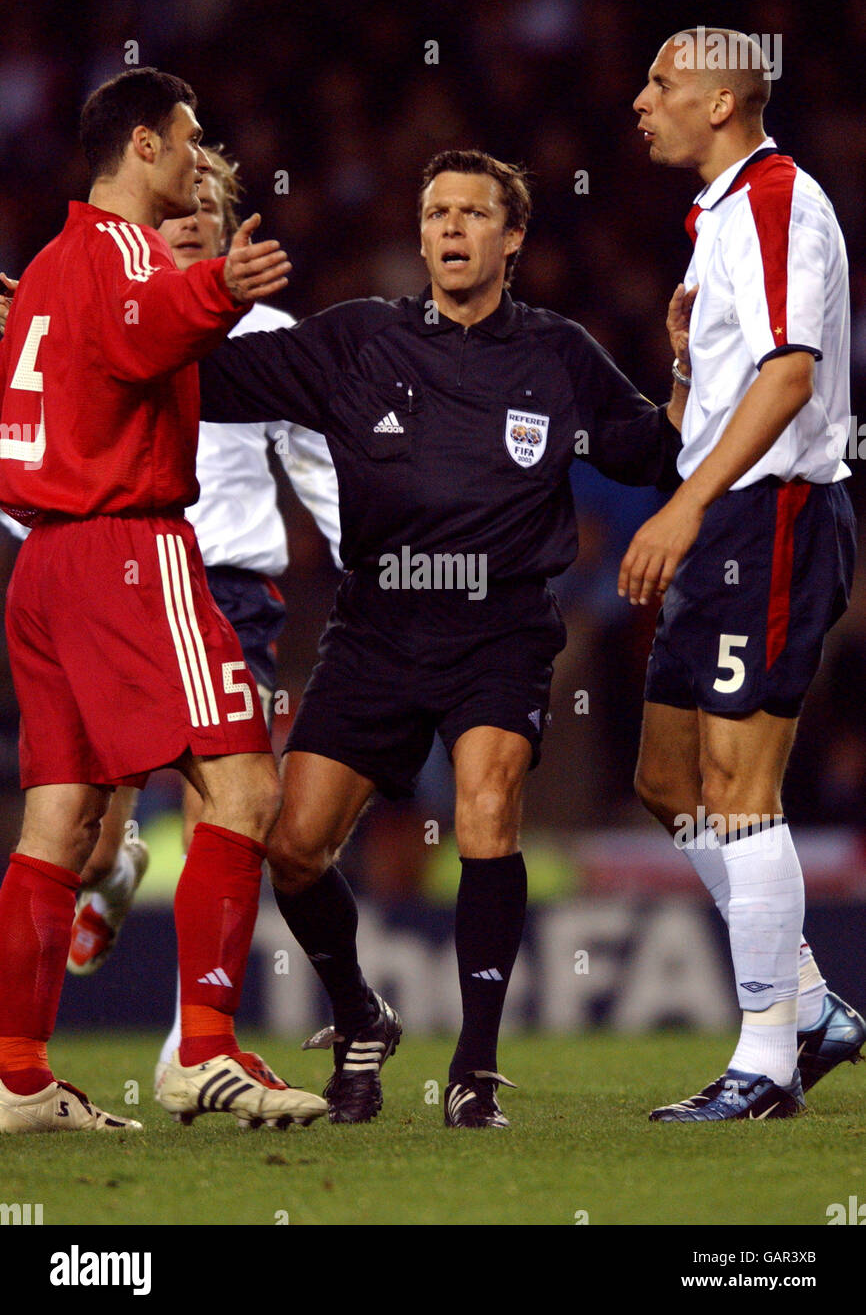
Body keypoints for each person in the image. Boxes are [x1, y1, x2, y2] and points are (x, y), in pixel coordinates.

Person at [197, 148, 689, 1127]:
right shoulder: (355, 341)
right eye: (434, 213)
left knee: (484, 812)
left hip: (500, 627)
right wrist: (128, 313)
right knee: (292, 846)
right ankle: (357, 1010)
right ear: (420, 235)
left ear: (511, 238)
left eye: (471, 213)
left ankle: (473, 1068)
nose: (449, 228)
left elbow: (647, 449)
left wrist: (681, 371)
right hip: (376, 625)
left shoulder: (557, 353)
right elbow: (206, 380)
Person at [0, 68, 326, 1132]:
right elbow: (145, 329)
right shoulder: (125, 254)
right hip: (125, 551)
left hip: (41, 563)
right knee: (243, 790)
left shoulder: (50, 266)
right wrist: (223, 287)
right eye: (187, 139)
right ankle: (205, 1050)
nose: (198, 157)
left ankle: (17, 1079)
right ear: (143, 145)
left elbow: (94, 352)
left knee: (58, 821)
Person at [62, 146, 347, 1097]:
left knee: (229, 807)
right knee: (87, 835)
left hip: (230, 596)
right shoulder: (107, 321)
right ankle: (110, 877)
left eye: (206, 215)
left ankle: (195, 1041)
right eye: (173, 212)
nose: (188, 224)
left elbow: (317, 468)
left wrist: (376, 570)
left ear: (230, 233)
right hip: (116, 578)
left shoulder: (268, 333)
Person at [624, 28, 864, 1121]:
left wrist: (682, 504)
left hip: (768, 516)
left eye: (662, 83)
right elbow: (738, 379)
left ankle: (764, 1062)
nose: (642, 100)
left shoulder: (770, 197)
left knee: (735, 790)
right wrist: (683, 364)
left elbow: (790, 373)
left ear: (722, 99)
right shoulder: (722, 213)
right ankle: (808, 1004)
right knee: (667, 782)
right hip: (727, 516)